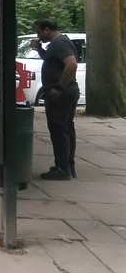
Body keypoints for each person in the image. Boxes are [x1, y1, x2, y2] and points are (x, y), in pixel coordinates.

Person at [31, 19, 80, 180]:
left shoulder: (60, 43)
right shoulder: (58, 43)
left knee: (59, 131)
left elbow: (71, 65)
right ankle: (67, 165)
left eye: (39, 32)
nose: (39, 35)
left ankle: (63, 169)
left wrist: (59, 87)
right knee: (66, 129)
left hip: (61, 95)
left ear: (46, 30)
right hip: (66, 93)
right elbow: (53, 62)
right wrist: (39, 50)